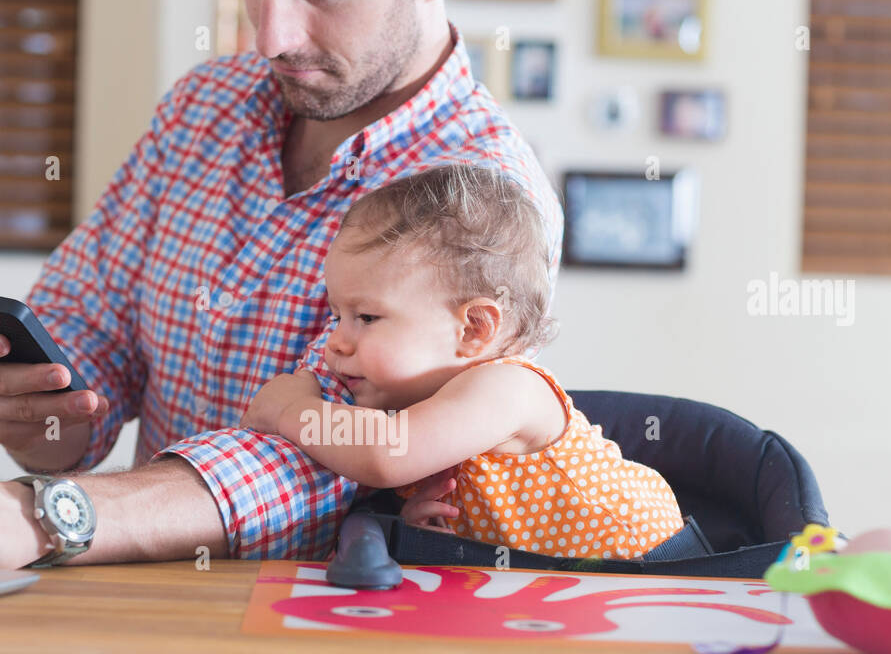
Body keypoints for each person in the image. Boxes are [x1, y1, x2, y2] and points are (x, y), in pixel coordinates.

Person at [0, 0, 563, 569]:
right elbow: (89, 335)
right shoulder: (206, 104)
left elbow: (325, 463)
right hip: (121, 606)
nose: (273, 37)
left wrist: (43, 515)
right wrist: (35, 411)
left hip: (329, 640)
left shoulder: (485, 198)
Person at [242, 164, 684, 559]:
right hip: (559, 592)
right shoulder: (424, 407)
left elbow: (388, 452)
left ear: (473, 329)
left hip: (660, 567)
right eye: (338, 316)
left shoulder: (507, 388)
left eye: (366, 317)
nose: (334, 343)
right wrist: (426, 523)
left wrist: (292, 411)